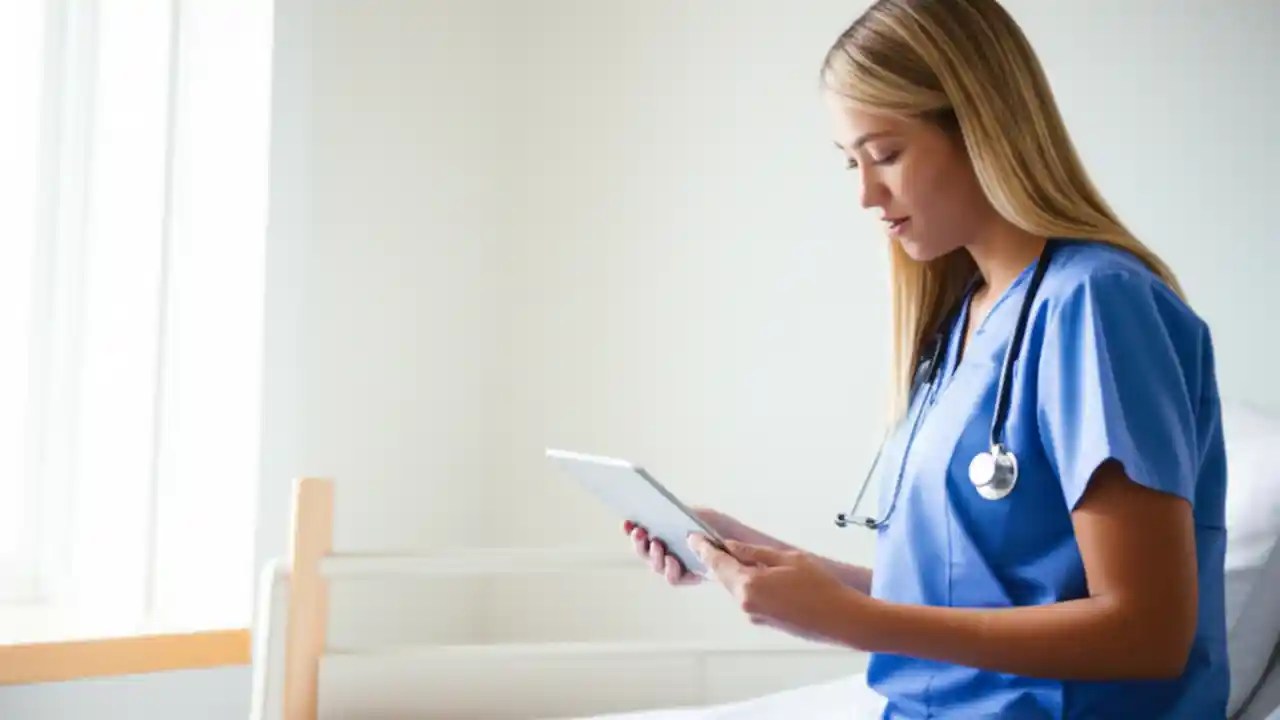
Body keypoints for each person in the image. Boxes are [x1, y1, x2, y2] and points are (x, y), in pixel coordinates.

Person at [622, 0, 1230, 717]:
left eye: (885, 155)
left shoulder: (1096, 304)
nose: (864, 195)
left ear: (980, 125)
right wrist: (764, 560)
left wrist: (851, 621)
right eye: (851, 163)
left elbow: (1147, 632)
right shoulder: (960, 325)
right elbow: (970, 601)